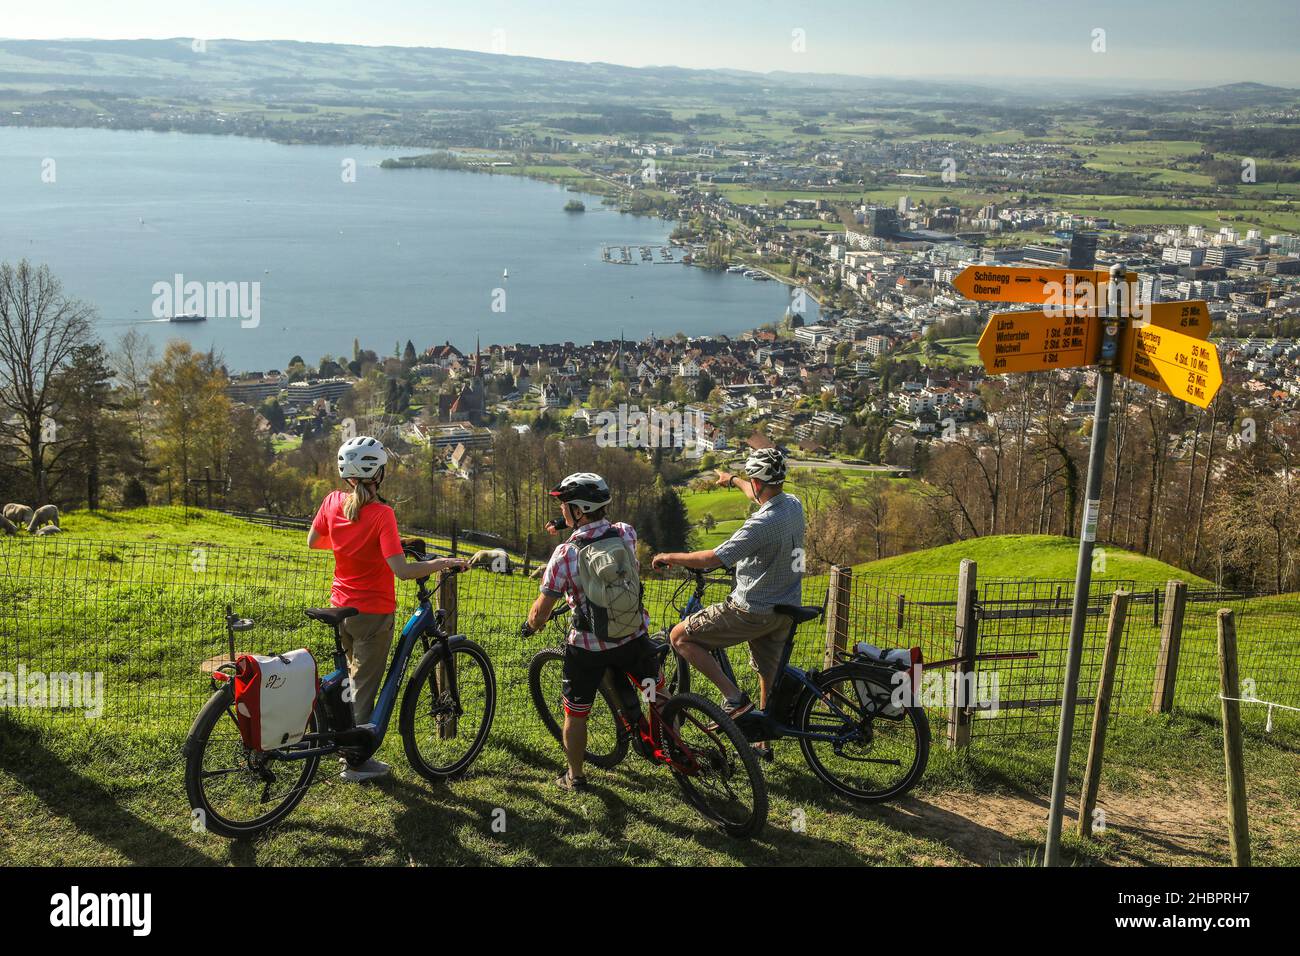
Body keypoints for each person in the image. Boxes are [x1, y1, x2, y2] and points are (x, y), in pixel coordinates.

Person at [308, 435, 466, 781]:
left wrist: (350, 544)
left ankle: (342, 742)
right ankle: (356, 762)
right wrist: (442, 562)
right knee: (363, 686)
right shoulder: (382, 514)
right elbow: (403, 571)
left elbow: (314, 540)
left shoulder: (333, 501)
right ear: (378, 474)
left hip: (340, 606)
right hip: (373, 613)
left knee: (350, 680)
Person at [521, 472, 658, 792]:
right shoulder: (626, 534)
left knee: (576, 712)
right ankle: (667, 742)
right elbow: (599, 533)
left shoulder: (565, 555)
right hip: (634, 635)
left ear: (578, 511)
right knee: (656, 693)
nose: (563, 511)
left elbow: (542, 609)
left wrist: (532, 625)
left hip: (589, 648)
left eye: (566, 506)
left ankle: (575, 776)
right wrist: (569, 520)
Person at [651, 448, 804, 730]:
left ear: (758, 483)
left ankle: (733, 698)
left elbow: (713, 558)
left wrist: (668, 556)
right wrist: (732, 479)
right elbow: (755, 491)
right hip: (786, 606)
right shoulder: (793, 505)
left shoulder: (761, 524)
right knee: (767, 674)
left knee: (679, 637)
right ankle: (761, 740)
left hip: (753, 611)